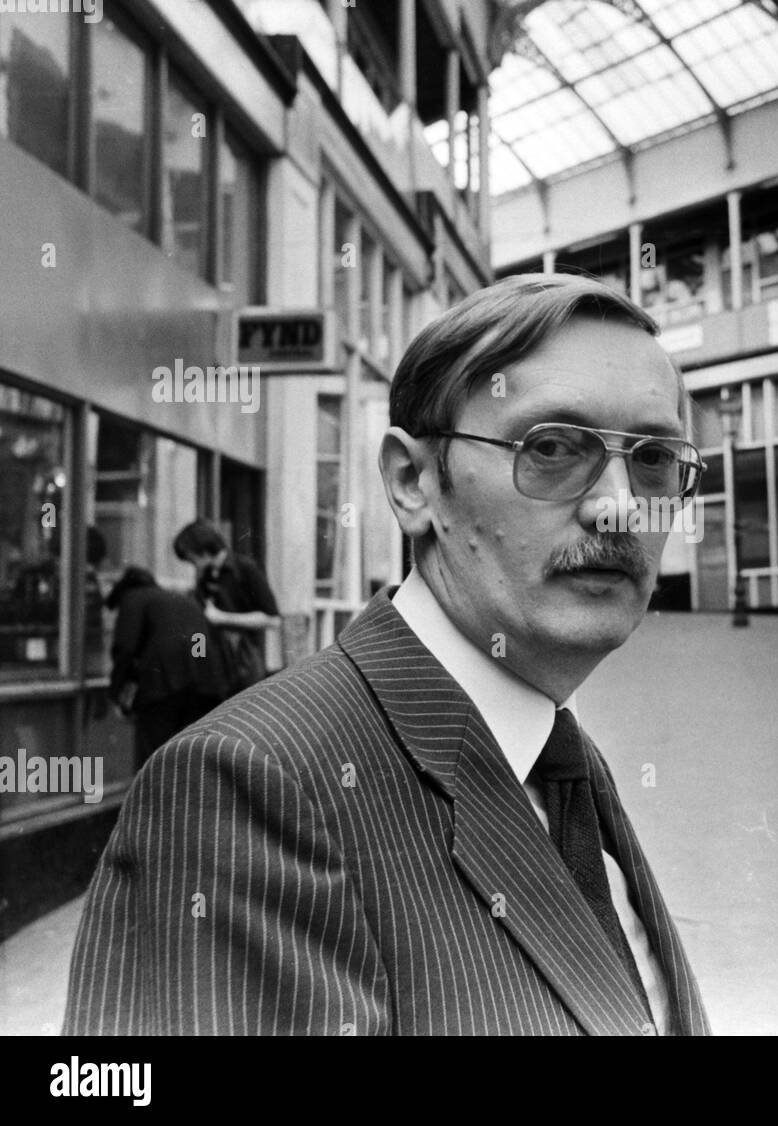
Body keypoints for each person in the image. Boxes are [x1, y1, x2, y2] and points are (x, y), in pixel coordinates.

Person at [64, 274, 711, 1035]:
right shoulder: (247, 788)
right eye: (552, 449)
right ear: (413, 482)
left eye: (656, 459)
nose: (620, 506)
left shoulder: (558, 754)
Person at [106, 567, 229, 765]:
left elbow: (125, 648)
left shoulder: (133, 597)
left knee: (153, 757)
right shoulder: (179, 600)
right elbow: (198, 641)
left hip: (163, 687)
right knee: (189, 755)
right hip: (204, 684)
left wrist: (115, 694)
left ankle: (152, 794)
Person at [172, 519, 280, 694]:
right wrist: (196, 660)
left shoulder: (246, 568)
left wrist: (222, 617)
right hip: (214, 661)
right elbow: (201, 623)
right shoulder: (205, 576)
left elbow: (273, 619)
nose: (191, 563)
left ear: (203, 550)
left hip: (242, 660)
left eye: (191, 557)